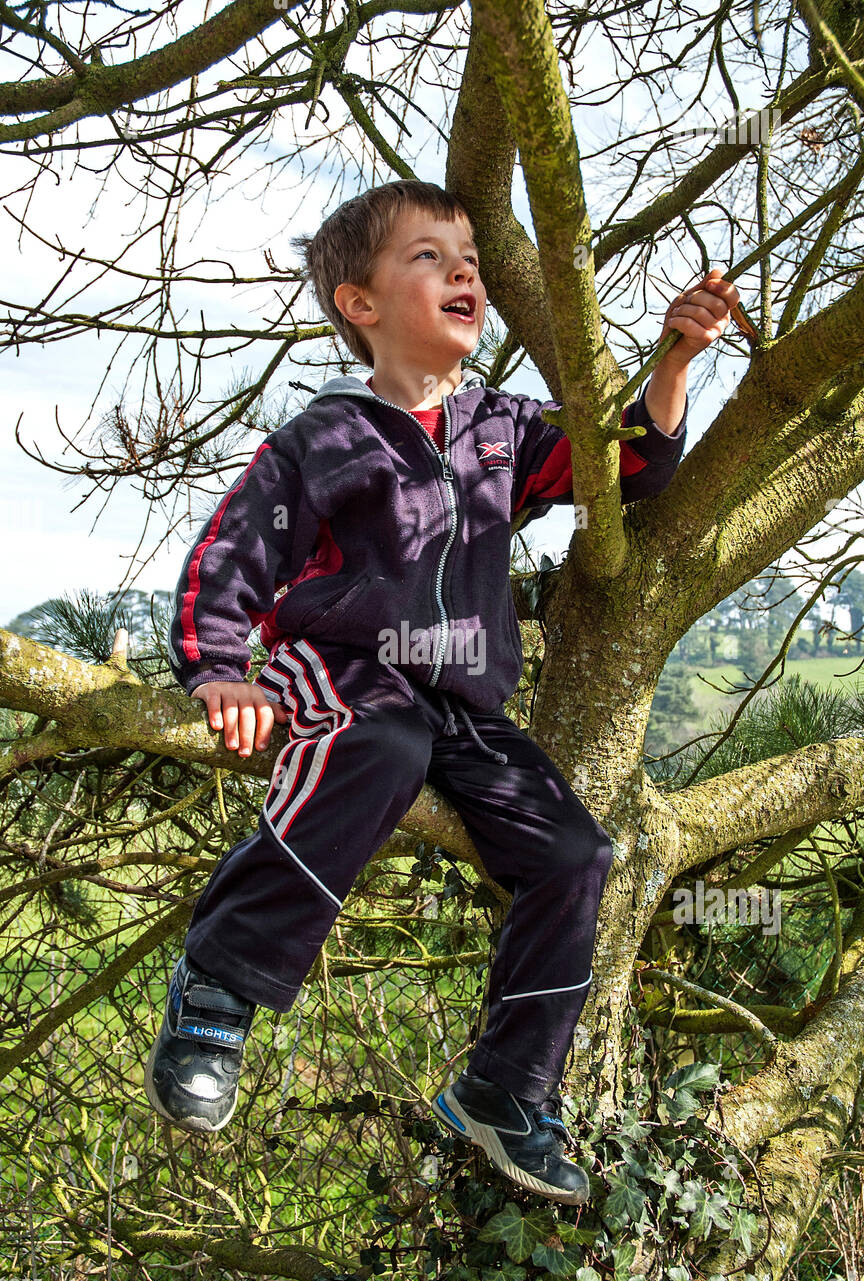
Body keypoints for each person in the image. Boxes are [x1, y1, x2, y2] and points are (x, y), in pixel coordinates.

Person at [145, 179, 740, 1205]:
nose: (464, 270)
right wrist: (221, 670)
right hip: (341, 669)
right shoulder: (324, 437)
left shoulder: (500, 429)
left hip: (463, 701)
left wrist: (673, 362)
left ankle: (507, 1088)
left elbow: (627, 468)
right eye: (430, 257)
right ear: (359, 303)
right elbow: (230, 555)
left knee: (578, 852)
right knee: (378, 748)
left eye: (468, 256)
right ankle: (218, 986)